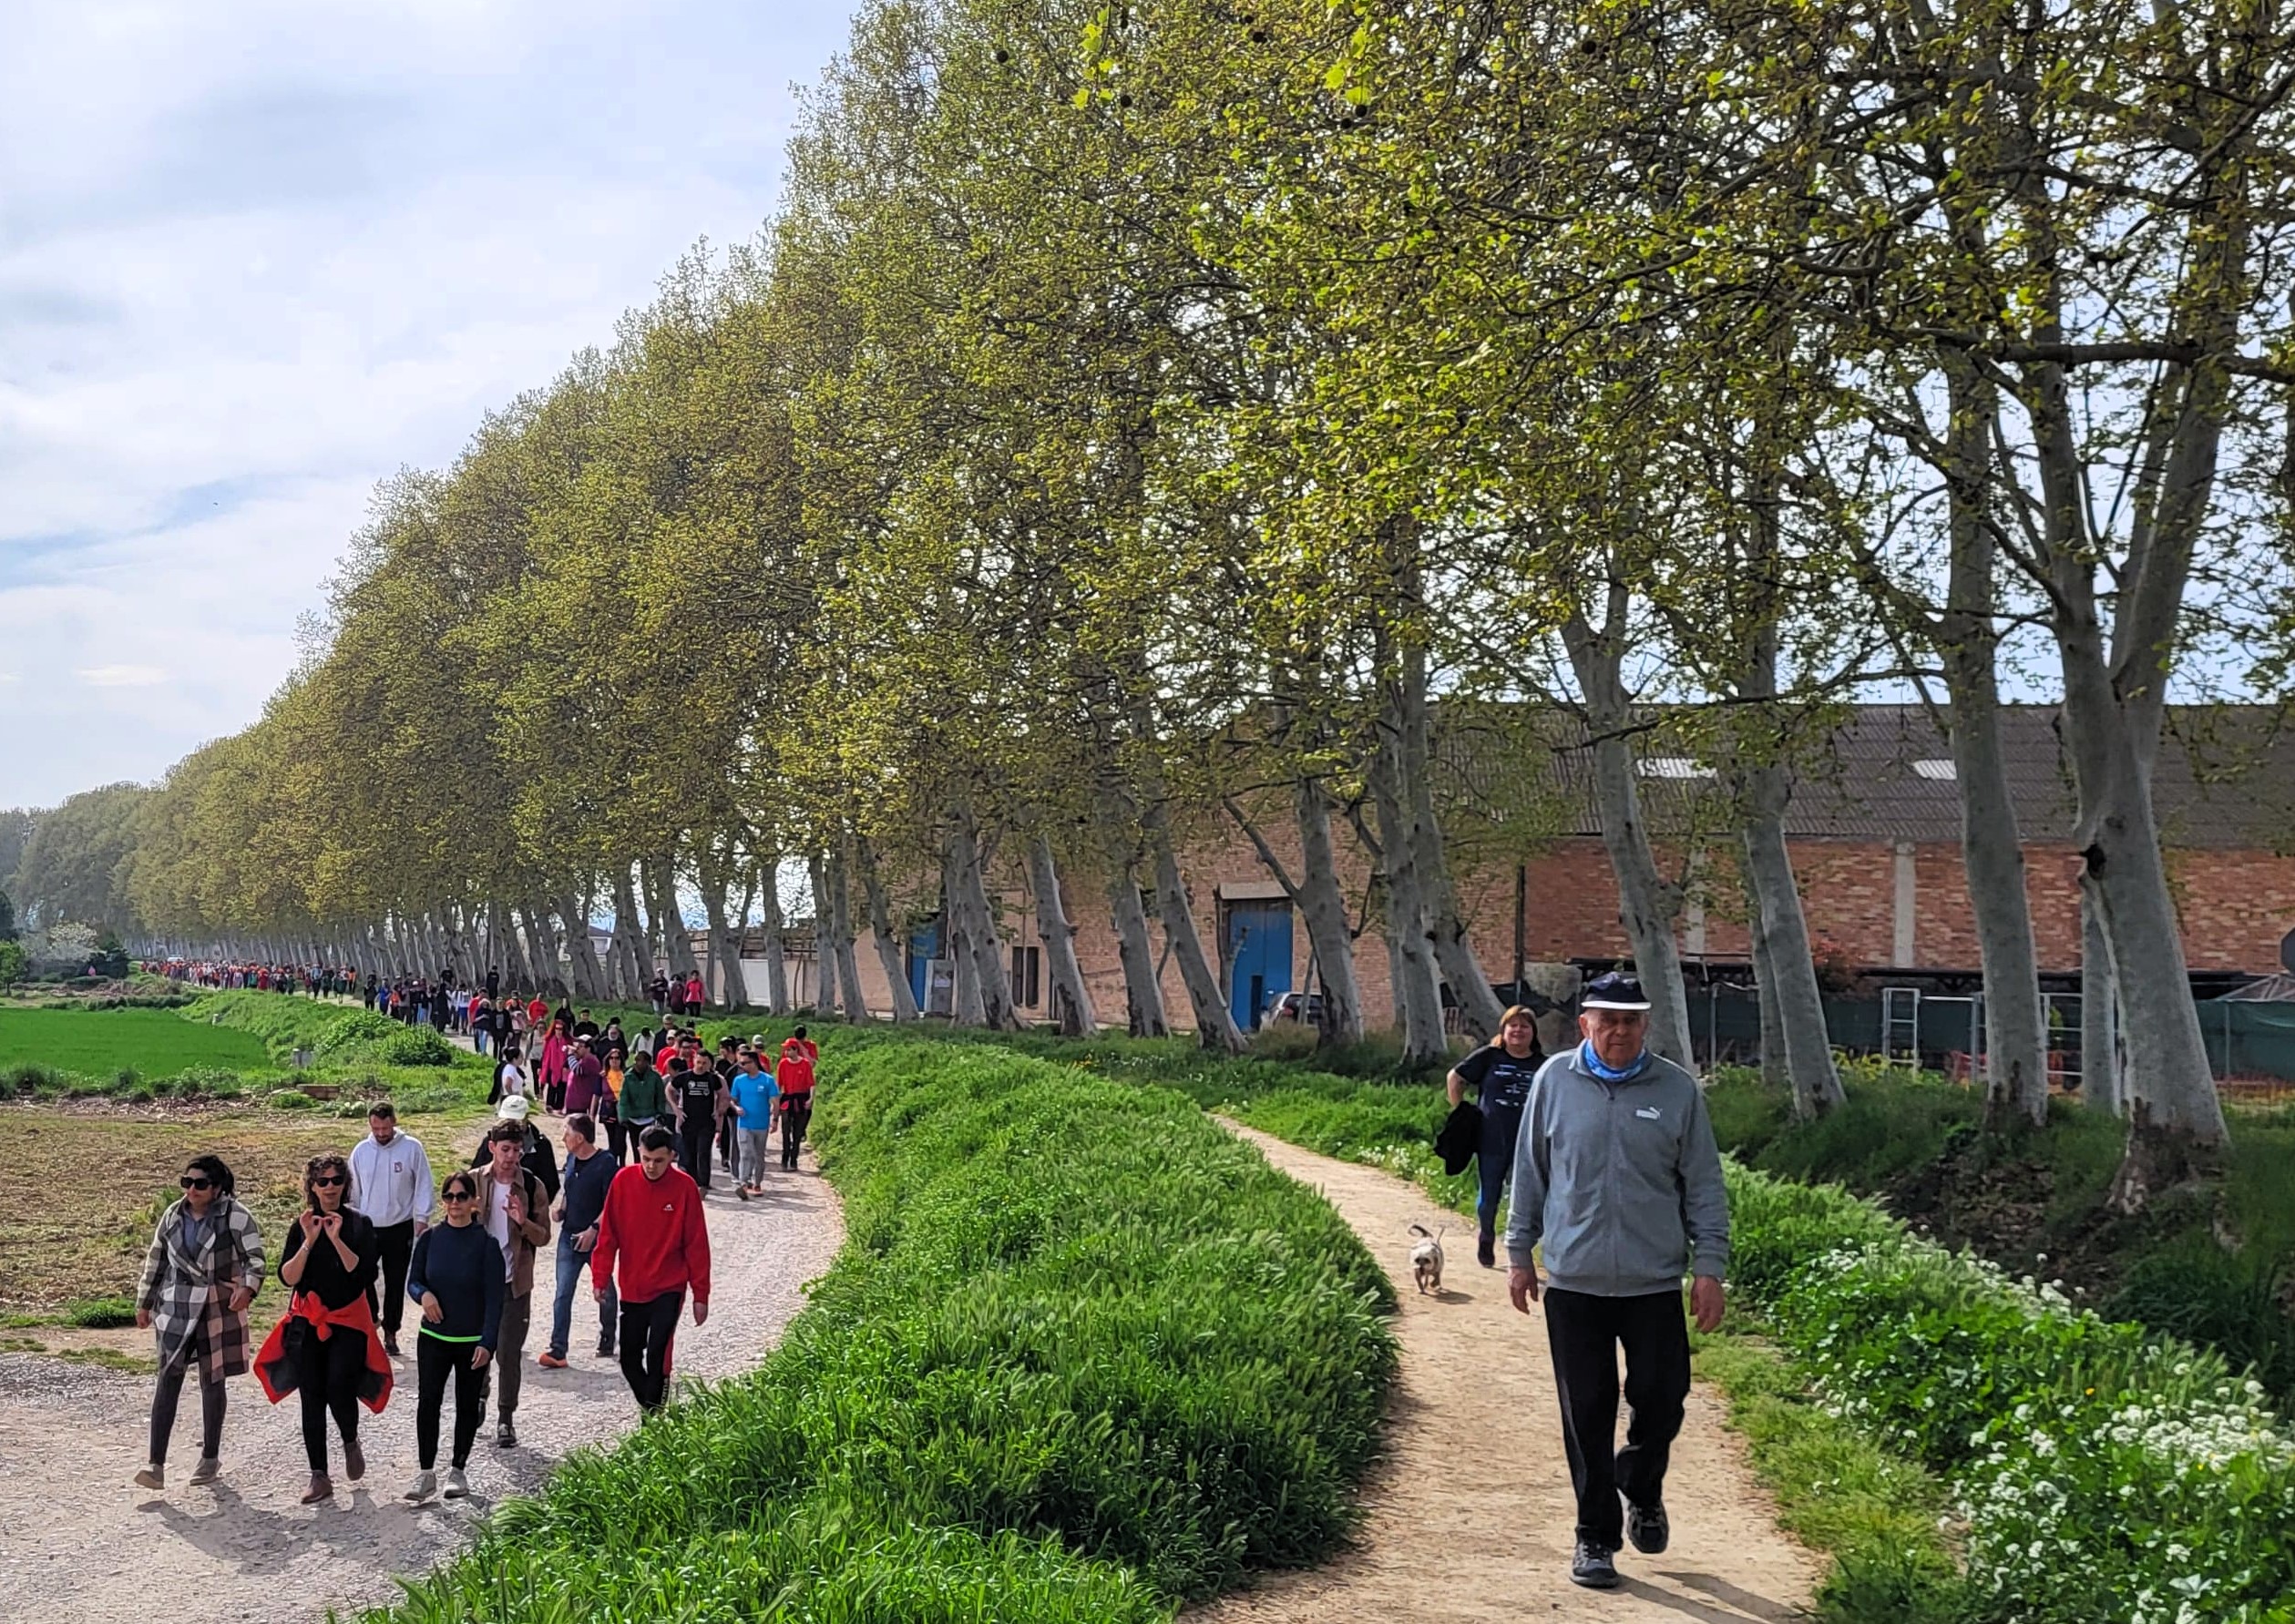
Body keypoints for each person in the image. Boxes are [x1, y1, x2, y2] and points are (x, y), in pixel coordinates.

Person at [1505, 972, 1729, 1590]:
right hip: (1573, 1280)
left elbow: (1704, 1186)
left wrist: (1708, 1265)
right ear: (1585, 1024)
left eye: (1630, 1020)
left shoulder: (1677, 1090)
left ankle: (1640, 1480)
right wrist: (1518, 1249)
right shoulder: (1553, 1082)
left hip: (1652, 1280)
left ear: (1644, 1025)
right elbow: (1530, 1170)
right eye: (1607, 1019)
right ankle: (1594, 1537)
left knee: (1661, 1399)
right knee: (1586, 1410)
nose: (1619, 1030)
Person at [255, 1153, 390, 1505]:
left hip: (347, 1321)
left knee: (338, 1386)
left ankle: (349, 1438)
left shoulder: (360, 1224)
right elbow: (287, 1278)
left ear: (345, 1185)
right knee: (311, 1395)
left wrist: (337, 1238)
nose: (330, 1187)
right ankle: (319, 1475)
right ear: (311, 1186)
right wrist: (310, 1240)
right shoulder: (301, 1226)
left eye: (336, 1180)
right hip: (307, 1322)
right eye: (323, 1181)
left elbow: (364, 1276)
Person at [133, 1155, 264, 1489]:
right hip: (176, 1304)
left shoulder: (235, 1216)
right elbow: (156, 1259)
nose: (192, 1189)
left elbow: (255, 1260)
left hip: (216, 1306)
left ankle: (209, 1456)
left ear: (217, 1188)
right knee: (168, 1376)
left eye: (200, 1184)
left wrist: (248, 1289)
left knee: (213, 1378)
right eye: (187, 1182)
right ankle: (155, 1464)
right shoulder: (173, 1215)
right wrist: (144, 1303)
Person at [591, 1125, 711, 1414]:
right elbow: (609, 1234)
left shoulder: (684, 1188)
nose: (651, 1166)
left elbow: (697, 1244)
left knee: (658, 1351)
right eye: (645, 1158)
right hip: (633, 1285)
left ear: (671, 1156)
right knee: (629, 1358)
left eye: (658, 1160)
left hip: (669, 1285)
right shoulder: (623, 1181)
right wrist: (600, 1276)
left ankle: (654, 1418)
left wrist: (700, 1295)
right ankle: (654, 1410)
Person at [402, 1169, 503, 1503]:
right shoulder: (430, 1239)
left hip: (469, 1342)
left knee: (465, 1405)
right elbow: (413, 1281)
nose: (455, 1203)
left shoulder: (486, 1245)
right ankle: (426, 1471)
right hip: (433, 1337)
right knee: (428, 1402)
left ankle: (458, 1469)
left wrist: (488, 1342)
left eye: (462, 1196)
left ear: (475, 1201)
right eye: (449, 1197)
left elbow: (494, 1300)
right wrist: (424, 1296)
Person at [1447, 1005, 1548, 1269]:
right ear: (1503, 1030)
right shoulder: (1490, 1056)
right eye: (1512, 1025)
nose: (1518, 1030)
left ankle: (1522, 1246)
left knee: (1527, 1196)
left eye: (1524, 1026)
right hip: (1492, 1138)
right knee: (1489, 1197)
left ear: (1533, 1033)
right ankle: (1486, 1234)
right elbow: (1455, 1078)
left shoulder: (1544, 1065)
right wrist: (1462, 1113)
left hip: (1529, 1142)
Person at [472, 1121, 552, 1447]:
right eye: (505, 1149)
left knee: (509, 1354)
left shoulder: (532, 1185)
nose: (511, 1157)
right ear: (492, 1147)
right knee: (476, 1350)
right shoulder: (474, 1180)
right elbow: (452, 1220)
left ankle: (506, 1417)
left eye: (517, 1150)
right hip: (477, 1283)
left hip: (515, 1282)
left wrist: (523, 1222)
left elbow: (544, 1236)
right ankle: (478, 1395)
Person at [347, 1101, 435, 1357]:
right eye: (376, 1128)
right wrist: (351, 1218)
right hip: (367, 1225)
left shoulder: (412, 1148)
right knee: (363, 1276)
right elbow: (354, 1189)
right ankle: (372, 1318)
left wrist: (422, 1217)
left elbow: (423, 1183)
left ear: (394, 1122)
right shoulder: (361, 1152)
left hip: (400, 1225)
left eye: (385, 1128)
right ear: (370, 1125)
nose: (381, 1133)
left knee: (396, 1282)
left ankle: (391, 1330)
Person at [540, 1114, 619, 1367]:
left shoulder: (606, 1163)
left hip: (597, 1240)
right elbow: (568, 1191)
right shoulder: (572, 1158)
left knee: (605, 1290)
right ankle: (558, 1349)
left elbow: (612, 1204)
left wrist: (593, 1230)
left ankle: (608, 1337)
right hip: (569, 1237)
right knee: (562, 1293)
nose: (563, 1137)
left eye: (567, 1131)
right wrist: (560, 1211)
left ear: (580, 1137)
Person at [728, 1047, 780, 1198]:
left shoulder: (767, 1080)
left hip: (761, 1124)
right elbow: (732, 1100)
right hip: (744, 1123)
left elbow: (775, 1102)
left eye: (744, 1063)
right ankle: (743, 1183)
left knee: (758, 1155)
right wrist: (736, 1108)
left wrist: (775, 1120)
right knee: (746, 1153)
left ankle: (757, 1183)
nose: (742, 1066)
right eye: (740, 1064)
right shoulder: (738, 1081)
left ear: (754, 1063)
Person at [667, 1054, 722, 1189]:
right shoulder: (684, 1077)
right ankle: (692, 1181)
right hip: (688, 1121)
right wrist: (676, 1110)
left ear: (709, 1064)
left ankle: (704, 1183)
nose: (701, 1066)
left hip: (707, 1121)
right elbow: (669, 1090)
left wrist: (719, 1110)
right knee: (690, 1152)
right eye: (699, 1062)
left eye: (704, 1063)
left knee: (703, 1151)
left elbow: (723, 1094)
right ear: (694, 1061)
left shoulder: (713, 1078)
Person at [776, 1032, 815, 1170]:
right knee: (786, 1131)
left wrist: (811, 1098)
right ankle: (784, 1158)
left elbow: (811, 1083)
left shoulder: (805, 1064)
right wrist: (775, 1103)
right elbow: (779, 1084)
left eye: (788, 1049)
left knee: (798, 1132)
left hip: (801, 1099)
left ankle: (794, 1159)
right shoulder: (783, 1064)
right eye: (785, 1050)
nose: (786, 1052)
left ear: (795, 1050)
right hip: (787, 1098)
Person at [490, 1041, 530, 1107]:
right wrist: (512, 1097)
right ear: (514, 1059)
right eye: (521, 1057)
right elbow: (507, 1085)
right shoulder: (510, 1069)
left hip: (511, 1098)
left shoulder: (512, 1068)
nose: (522, 1059)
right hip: (510, 1100)